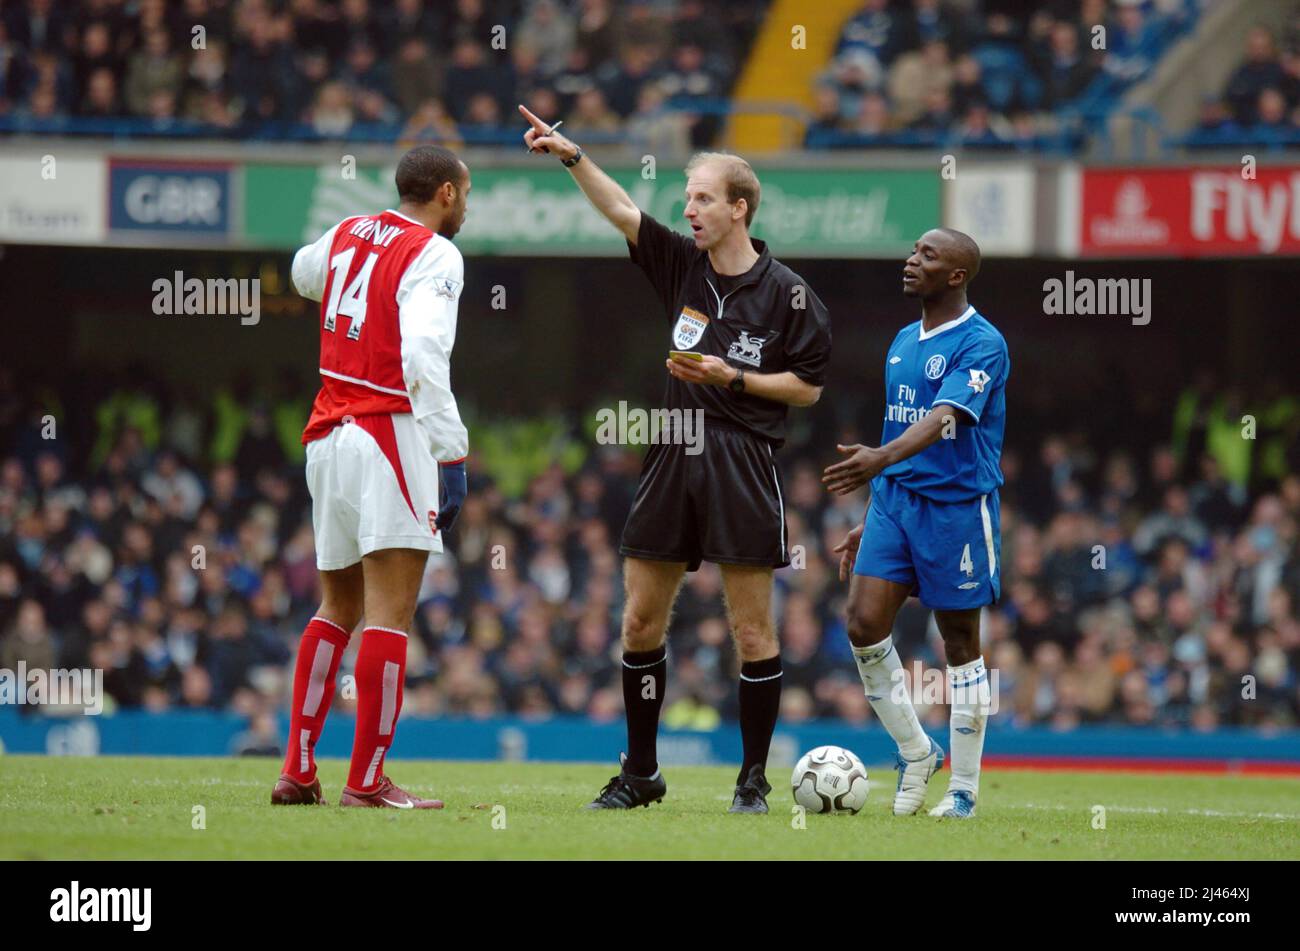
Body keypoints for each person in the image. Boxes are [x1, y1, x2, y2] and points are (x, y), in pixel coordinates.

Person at [518, 104, 832, 813]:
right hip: (672, 451)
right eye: (687, 197)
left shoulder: (789, 296)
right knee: (638, 622)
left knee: (751, 628)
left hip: (744, 460)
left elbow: (808, 388)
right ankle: (642, 772)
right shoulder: (681, 268)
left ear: (739, 207)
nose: (688, 208)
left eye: (702, 198)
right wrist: (573, 155)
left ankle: (752, 779)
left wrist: (734, 378)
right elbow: (623, 209)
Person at [270, 145, 471, 809]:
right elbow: (420, 351)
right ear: (445, 192)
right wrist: (451, 449)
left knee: (338, 607)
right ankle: (366, 781)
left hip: (327, 430)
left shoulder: (350, 230)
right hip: (389, 432)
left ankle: (298, 768)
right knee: (390, 615)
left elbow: (302, 274)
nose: (464, 206)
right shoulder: (436, 253)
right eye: (463, 194)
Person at [824, 228, 1007, 819]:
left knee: (959, 643)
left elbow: (943, 418)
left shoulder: (983, 342)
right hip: (896, 503)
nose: (911, 260)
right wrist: (873, 507)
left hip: (956, 510)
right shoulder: (904, 339)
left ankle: (964, 790)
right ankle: (915, 749)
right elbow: (897, 424)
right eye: (912, 250)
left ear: (955, 276)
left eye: (927, 255)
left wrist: (879, 458)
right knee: (862, 622)